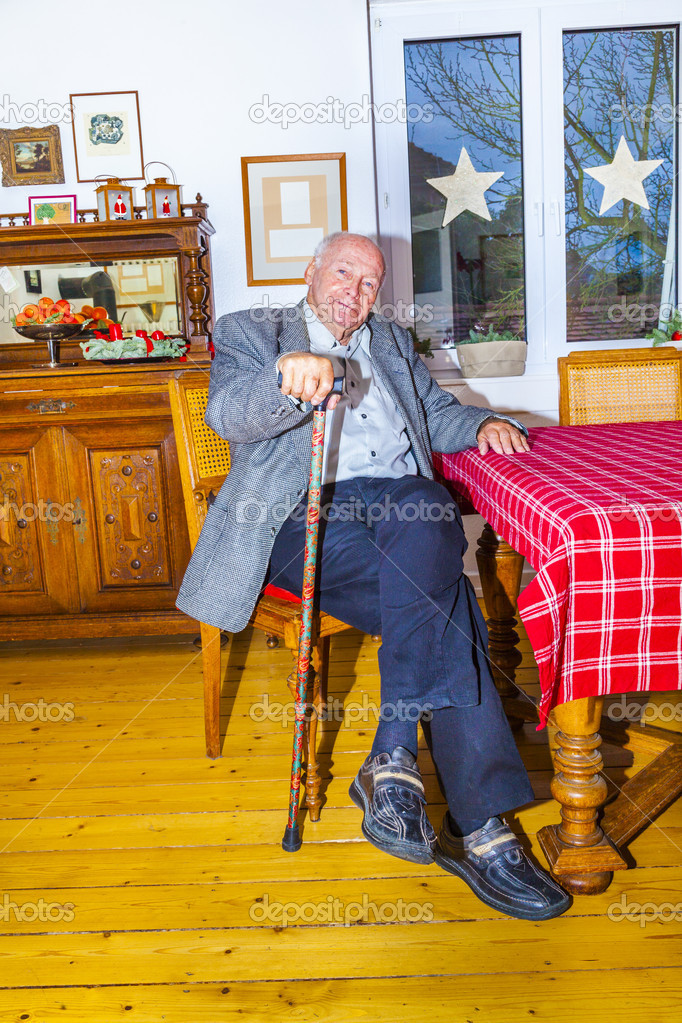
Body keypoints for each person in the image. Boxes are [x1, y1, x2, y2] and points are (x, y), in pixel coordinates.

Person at [177, 232, 570, 921]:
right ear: (311, 272)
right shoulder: (253, 331)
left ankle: (395, 764)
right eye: (344, 272)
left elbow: (439, 415)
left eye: (369, 283)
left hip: (400, 514)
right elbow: (227, 413)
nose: (354, 291)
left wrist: (482, 424)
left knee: (424, 507)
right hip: (301, 522)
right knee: (450, 600)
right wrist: (284, 378)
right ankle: (477, 829)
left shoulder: (388, 342)